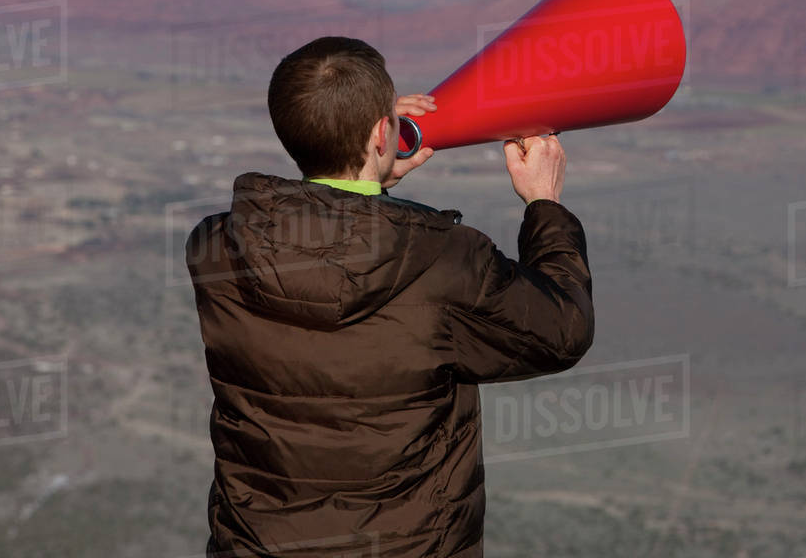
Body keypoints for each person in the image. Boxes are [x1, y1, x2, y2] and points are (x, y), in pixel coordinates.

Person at [185, 36, 594, 557]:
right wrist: (544, 204)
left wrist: (366, 173)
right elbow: (563, 331)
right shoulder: (445, 261)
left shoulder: (216, 247)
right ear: (385, 133)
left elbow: (329, 249)